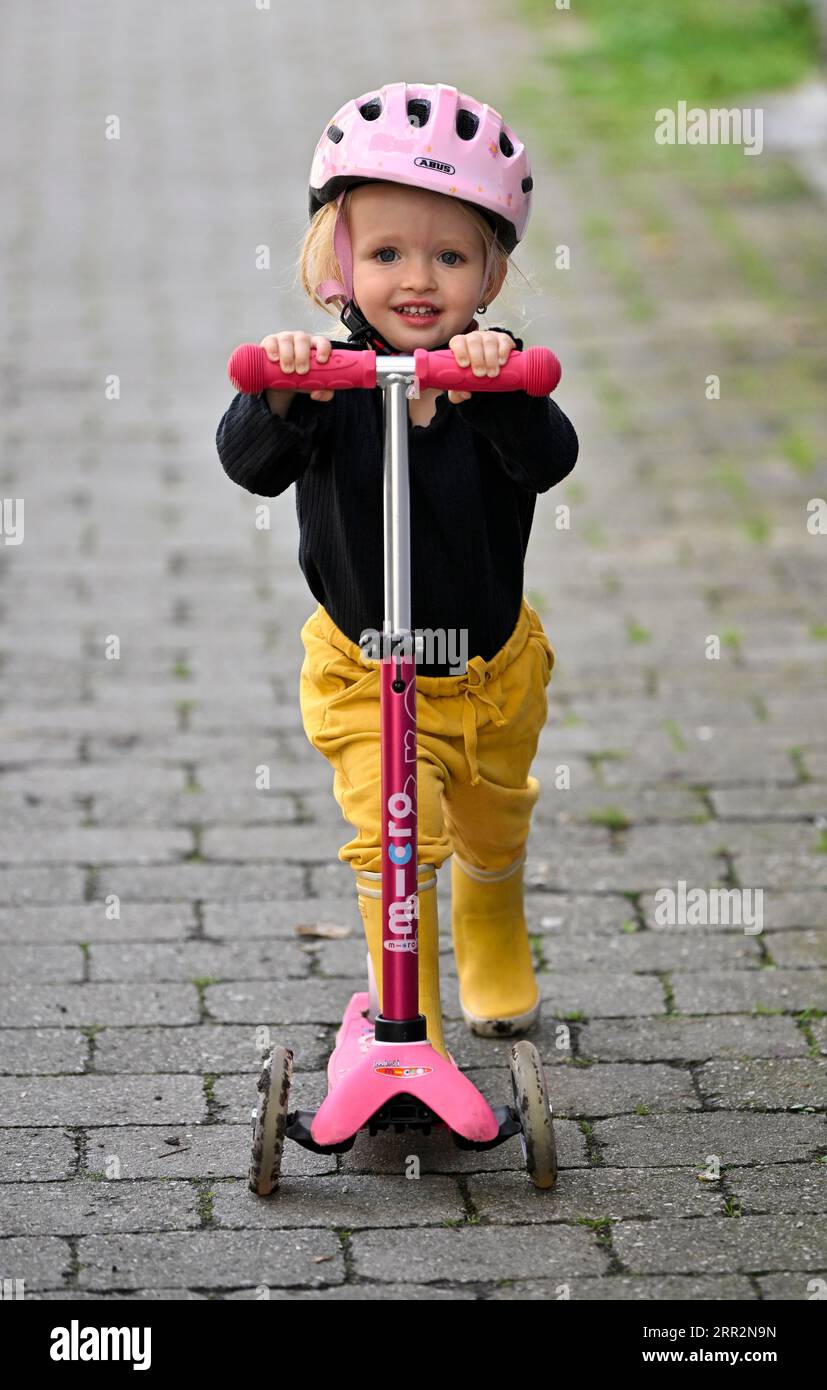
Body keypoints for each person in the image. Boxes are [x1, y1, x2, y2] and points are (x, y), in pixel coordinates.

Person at [216, 82, 579, 1061]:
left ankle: (491, 919)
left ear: (490, 273)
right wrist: (284, 389)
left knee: (490, 823)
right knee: (391, 841)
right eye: (384, 254)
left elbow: (549, 457)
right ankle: (400, 1003)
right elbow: (249, 464)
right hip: (364, 670)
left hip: (488, 673)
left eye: (449, 255)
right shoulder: (326, 385)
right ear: (338, 263)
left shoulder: (492, 383)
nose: (416, 279)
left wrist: (499, 384)